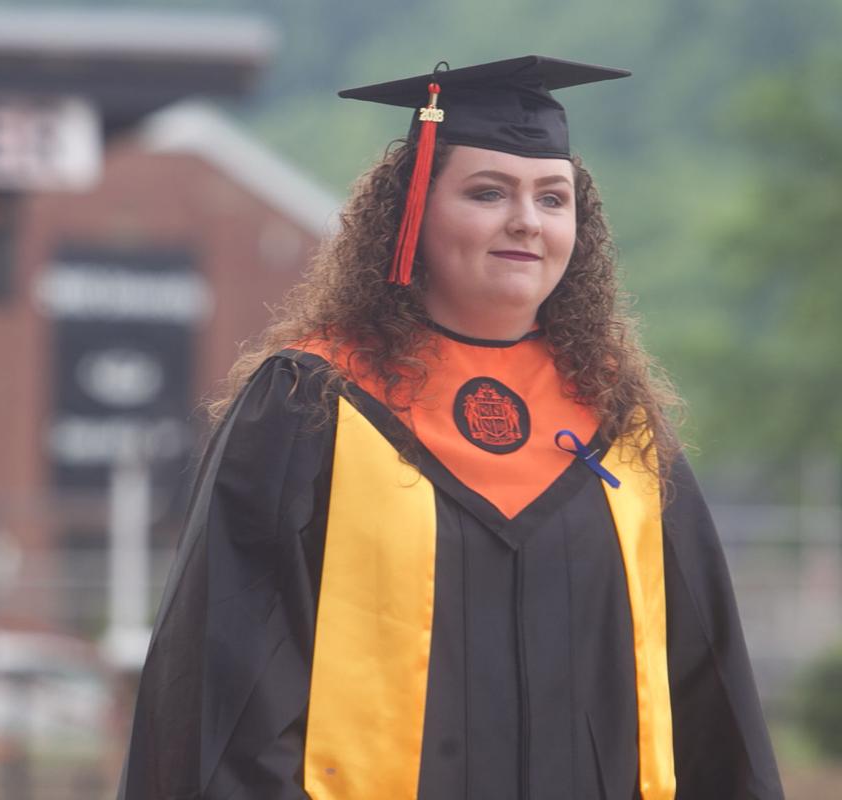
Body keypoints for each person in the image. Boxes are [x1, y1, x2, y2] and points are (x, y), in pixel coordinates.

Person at [117, 56, 784, 799]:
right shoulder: (313, 404)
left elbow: (706, 694)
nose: (526, 221)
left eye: (553, 199)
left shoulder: (619, 429)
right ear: (413, 213)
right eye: (488, 192)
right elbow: (227, 687)